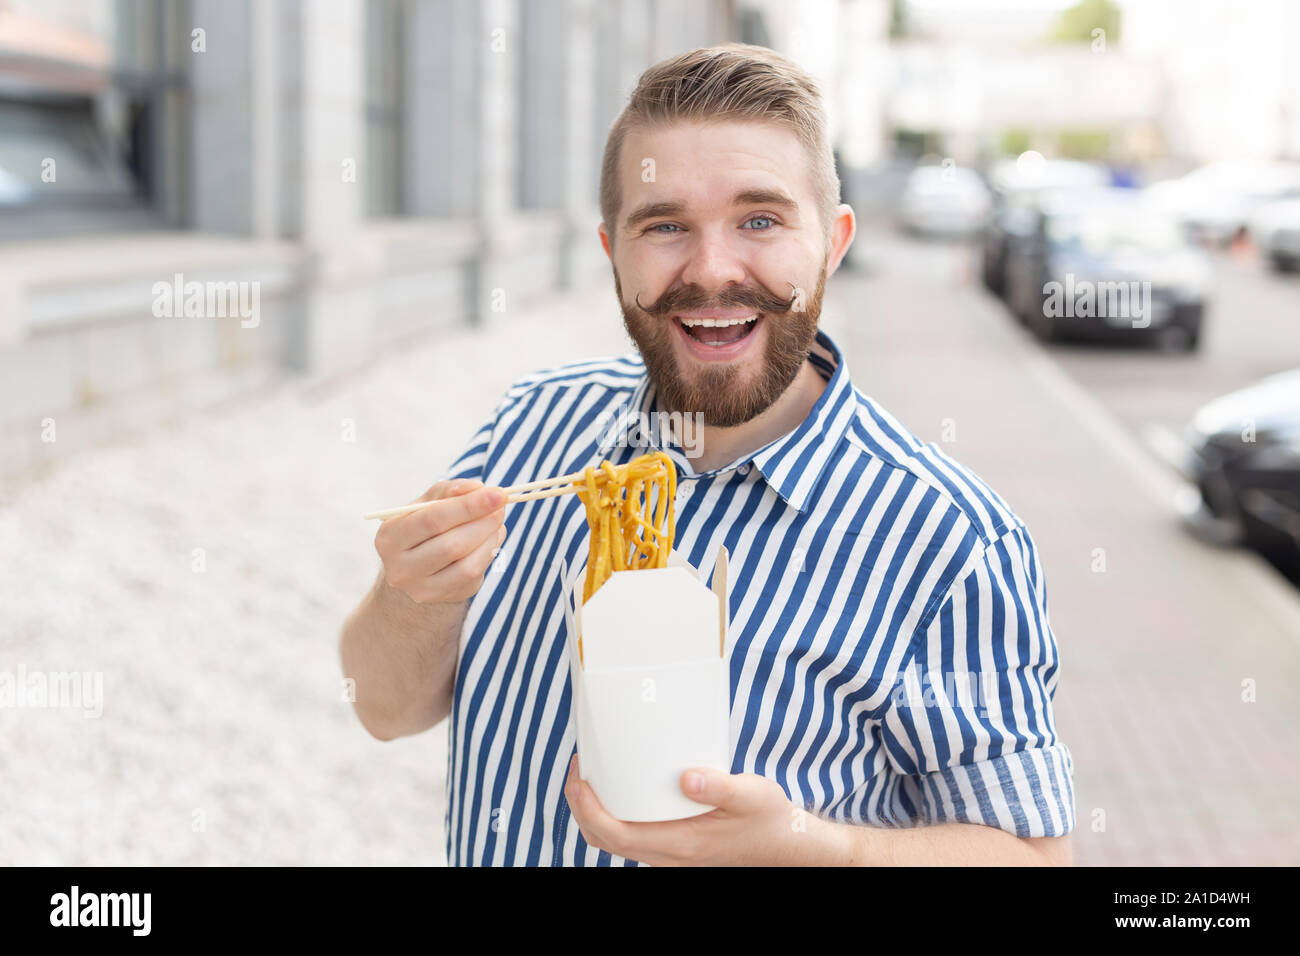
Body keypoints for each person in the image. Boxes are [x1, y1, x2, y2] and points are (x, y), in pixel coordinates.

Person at [339, 44, 1074, 866]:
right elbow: (384, 709)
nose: (713, 271)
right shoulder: (531, 424)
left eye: (760, 220)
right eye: (664, 226)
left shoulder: (951, 540)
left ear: (832, 244)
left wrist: (818, 848)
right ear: (613, 251)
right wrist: (411, 599)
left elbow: (1034, 857)